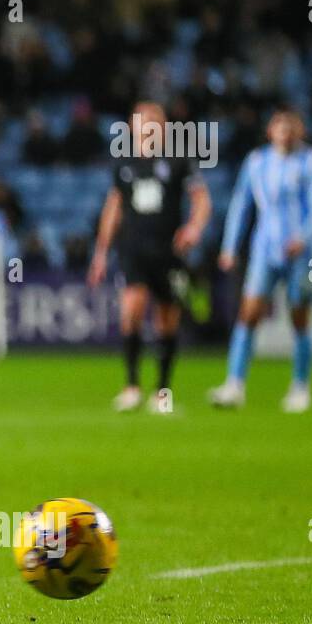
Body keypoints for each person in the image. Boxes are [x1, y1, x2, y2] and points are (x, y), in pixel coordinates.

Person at [88, 101, 210, 412]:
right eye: (143, 121)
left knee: (167, 319)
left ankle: (162, 392)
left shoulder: (180, 160)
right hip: (133, 249)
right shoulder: (124, 164)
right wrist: (101, 252)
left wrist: (194, 227)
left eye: (155, 120)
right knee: (131, 309)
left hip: (169, 251)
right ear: (133, 127)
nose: (149, 126)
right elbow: (113, 208)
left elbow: (201, 199)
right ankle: (131, 386)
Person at [209, 109, 312, 412]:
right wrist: (229, 247)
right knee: (248, 313)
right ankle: (234, 385)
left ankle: (300, 387)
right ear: (270, 130)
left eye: (291, 126)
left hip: (307, 254)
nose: (286, 131)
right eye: (280, 126)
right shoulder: (256, 162)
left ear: (301, 130)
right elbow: (241, 205)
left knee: (300, 316)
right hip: (265, 249)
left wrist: (301, 237)